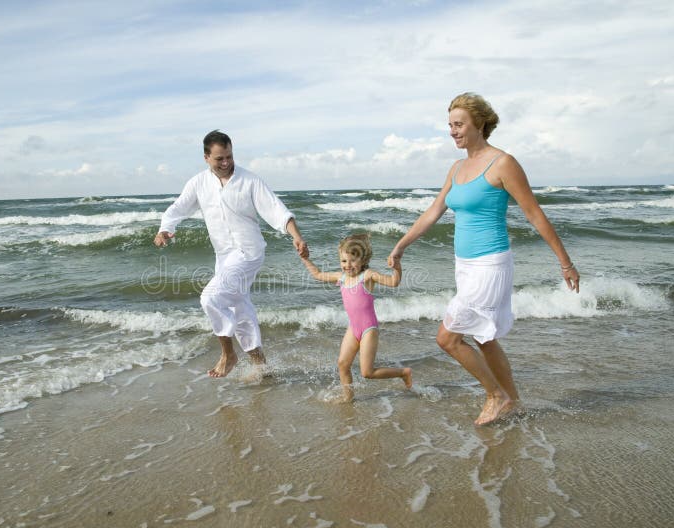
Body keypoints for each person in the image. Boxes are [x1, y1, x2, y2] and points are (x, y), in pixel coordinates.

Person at [388, 93, 580, 426]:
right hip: (464, 266)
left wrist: (565, 262)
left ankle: (495, 395)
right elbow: (434, 211)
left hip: (491, 264)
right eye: (450, 125)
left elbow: (535, 214)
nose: (453, 131)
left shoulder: (503, 163)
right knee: (484, 338)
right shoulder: (457, 168)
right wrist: (401, 246)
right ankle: (514, 402)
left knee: (447, 338)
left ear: (479, 124)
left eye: (459, 124)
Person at [154, 130, 308, 377]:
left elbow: (277, 210)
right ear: (206, 158)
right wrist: (164, 229)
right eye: (219, 159)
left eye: (229, 156)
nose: (226, 163)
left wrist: (296, 236)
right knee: (239, 309)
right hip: (224, 257)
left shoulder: (250, 181)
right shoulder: (198, 183)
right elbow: (177, 209)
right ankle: (262, 366)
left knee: (210, 298)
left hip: (248, 252)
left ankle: (228, 354)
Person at [301, 234, 412, 402]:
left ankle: (403, 373)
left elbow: (393, 282)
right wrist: (305, 258)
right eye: (344, 261)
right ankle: (348, 398)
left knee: (367, 372)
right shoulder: (341, 277)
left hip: (369, 329)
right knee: (343, 364)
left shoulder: (367, 276)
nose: (347, 265)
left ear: (362, 260)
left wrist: (397, 267)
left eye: (352, 260)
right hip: (353, 328)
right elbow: (317, 274)